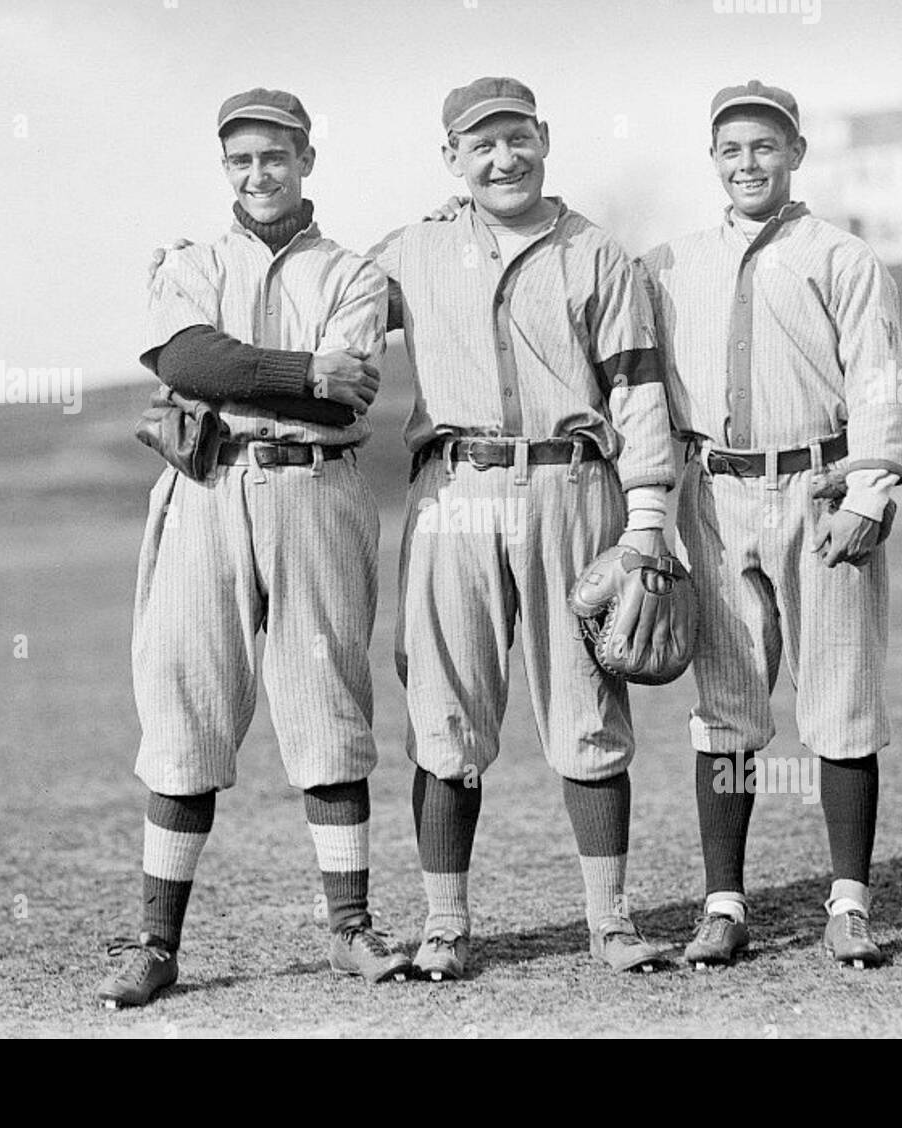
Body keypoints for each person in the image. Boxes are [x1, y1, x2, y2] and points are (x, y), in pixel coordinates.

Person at [97, 86, 408, 1008]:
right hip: (205, 488)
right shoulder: (190, 262)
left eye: (274, 156)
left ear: (306, 159)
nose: (258, 174)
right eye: (240, 160)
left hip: (316, 490)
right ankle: (157, 943)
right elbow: (189, 362)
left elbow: (342, 398)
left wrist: (286, 377)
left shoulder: (352, 274)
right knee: (184, 705)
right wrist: (302, 366)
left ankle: (350, 928)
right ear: (224, 168)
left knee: (327, 704)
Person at [369, 76, 680, 981]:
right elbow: (324, 309)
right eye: (480, 146)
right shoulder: (411, 251)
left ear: (544, 138)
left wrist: (647, 521)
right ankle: (444, 923)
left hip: (571, 487)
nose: (503, 159)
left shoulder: (596, 254)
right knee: (445, 712)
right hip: (455, 489)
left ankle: (609, 920)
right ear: (452, 161)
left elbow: (640, 391)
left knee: (587, 707)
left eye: (517, 139)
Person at [639, 80, 902, 969]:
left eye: (764, 146)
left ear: (795, 153)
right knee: (727, 708)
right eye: (730, 149)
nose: (747, 163)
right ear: (712, 161)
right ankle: (725, 906)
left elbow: (876, 380)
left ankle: (848, 904)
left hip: (819, 488)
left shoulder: (842, 256)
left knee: (838, 700)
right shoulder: (669, 264)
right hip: (714, 498)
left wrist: (870, 496)